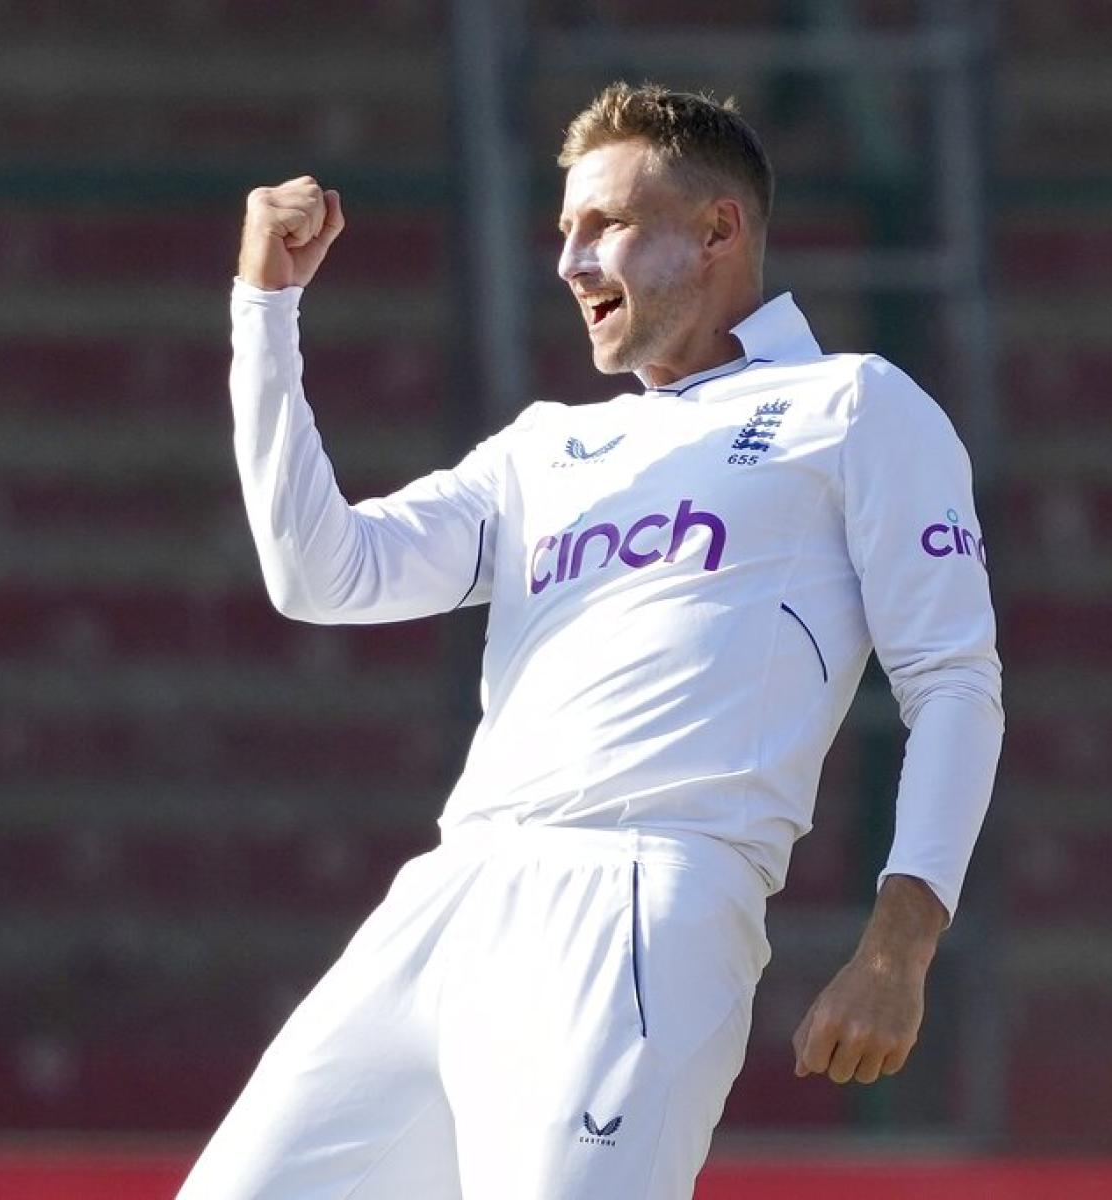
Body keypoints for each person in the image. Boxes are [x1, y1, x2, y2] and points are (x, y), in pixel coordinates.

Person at [178, 82, 1003, 1199]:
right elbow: (324, 576)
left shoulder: (853, 404)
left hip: (645, 900)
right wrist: (265, 311)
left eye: (606, 224)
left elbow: (954, 683)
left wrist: (898, 949)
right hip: (450, 895)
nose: (570, 262)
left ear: (718, 230)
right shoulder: (543, 447)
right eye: (563, 228)